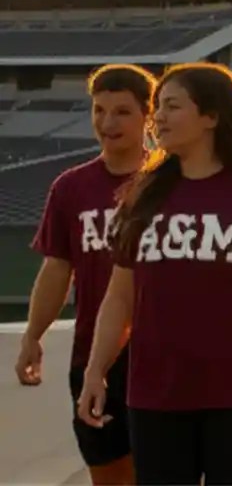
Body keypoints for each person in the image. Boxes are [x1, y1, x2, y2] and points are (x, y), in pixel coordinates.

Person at [76, 62, 232, 485]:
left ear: (211, 116)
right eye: (157, 108)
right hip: (157, 393)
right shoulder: (144, 192)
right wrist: (96, 370)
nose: (159, 118)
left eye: (172, 106)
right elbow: (120, 296)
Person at [15, 64, 155, 485]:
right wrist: (32, 335)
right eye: (99, 111)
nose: (107, 123)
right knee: (108, 472)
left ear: (148, 115)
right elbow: (58, 267)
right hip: (94, 354)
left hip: (162, 354)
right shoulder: (71, 188)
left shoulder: (169, 182)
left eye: (122, 112)